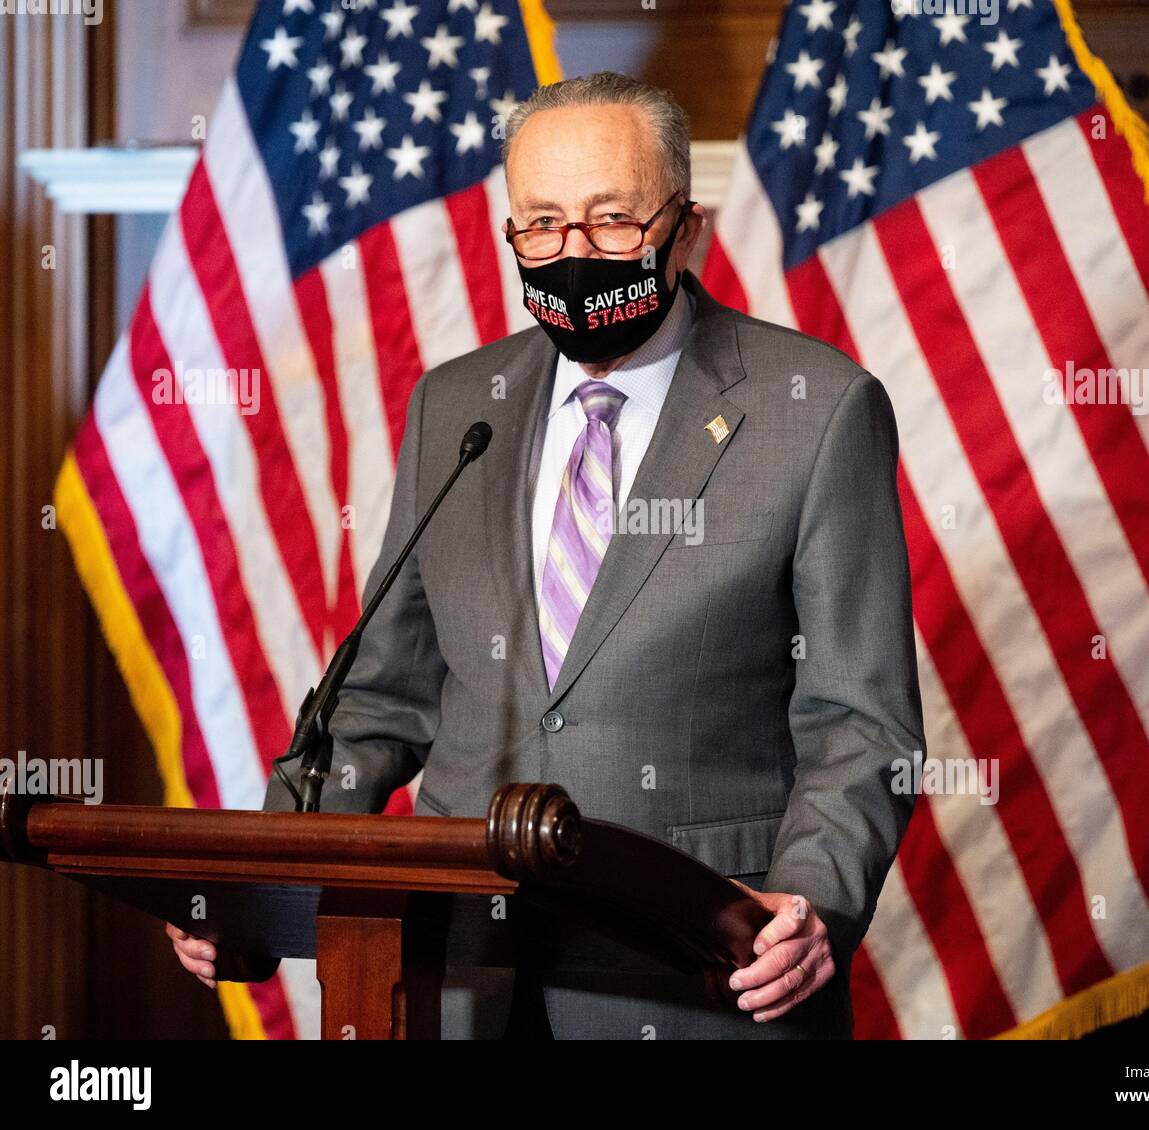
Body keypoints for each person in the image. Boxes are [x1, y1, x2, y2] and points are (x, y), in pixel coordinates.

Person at [170, 70, 925, 1039]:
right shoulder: (454, 404)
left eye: (613, 219)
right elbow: (379, 699)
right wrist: (258, 883)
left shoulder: (816, 406)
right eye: (542, 224)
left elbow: (861, 720)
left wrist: (812, 901)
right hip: (454, 970)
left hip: (701, 968)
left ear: (685, 226)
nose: (574, 253)